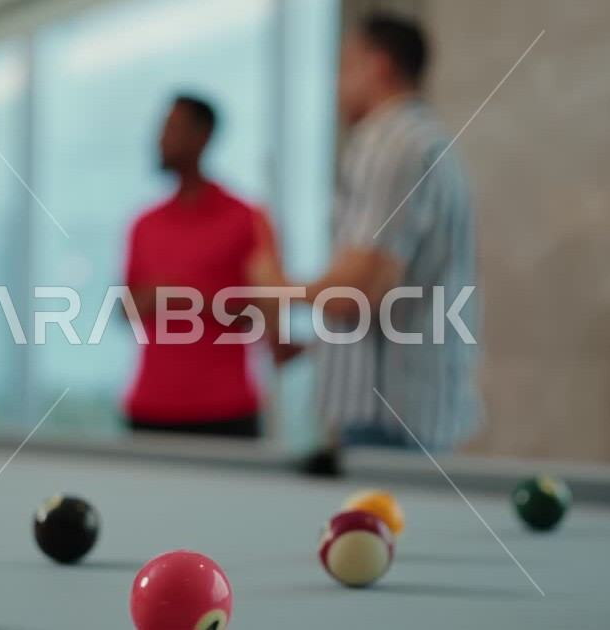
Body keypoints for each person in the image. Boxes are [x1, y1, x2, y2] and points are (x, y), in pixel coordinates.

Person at [252, 13, 479, 472]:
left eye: (343, 67)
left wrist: (277, 288)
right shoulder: (420, 142)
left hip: (386, 420)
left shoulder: (391, 144)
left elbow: (361, 288)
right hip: (400, 410)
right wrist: (315, 345)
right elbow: (400, 290)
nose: (336, 85)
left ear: (377, 66)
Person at [123, 94, 296, 438]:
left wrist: (191, 300)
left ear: (201, 137)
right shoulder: (143, 224)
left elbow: (268, 311)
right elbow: (125, 307)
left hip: (226, 411)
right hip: (148, 408)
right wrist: (154, 297)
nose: (160, 139)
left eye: (171, 128)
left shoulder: (247, 219)